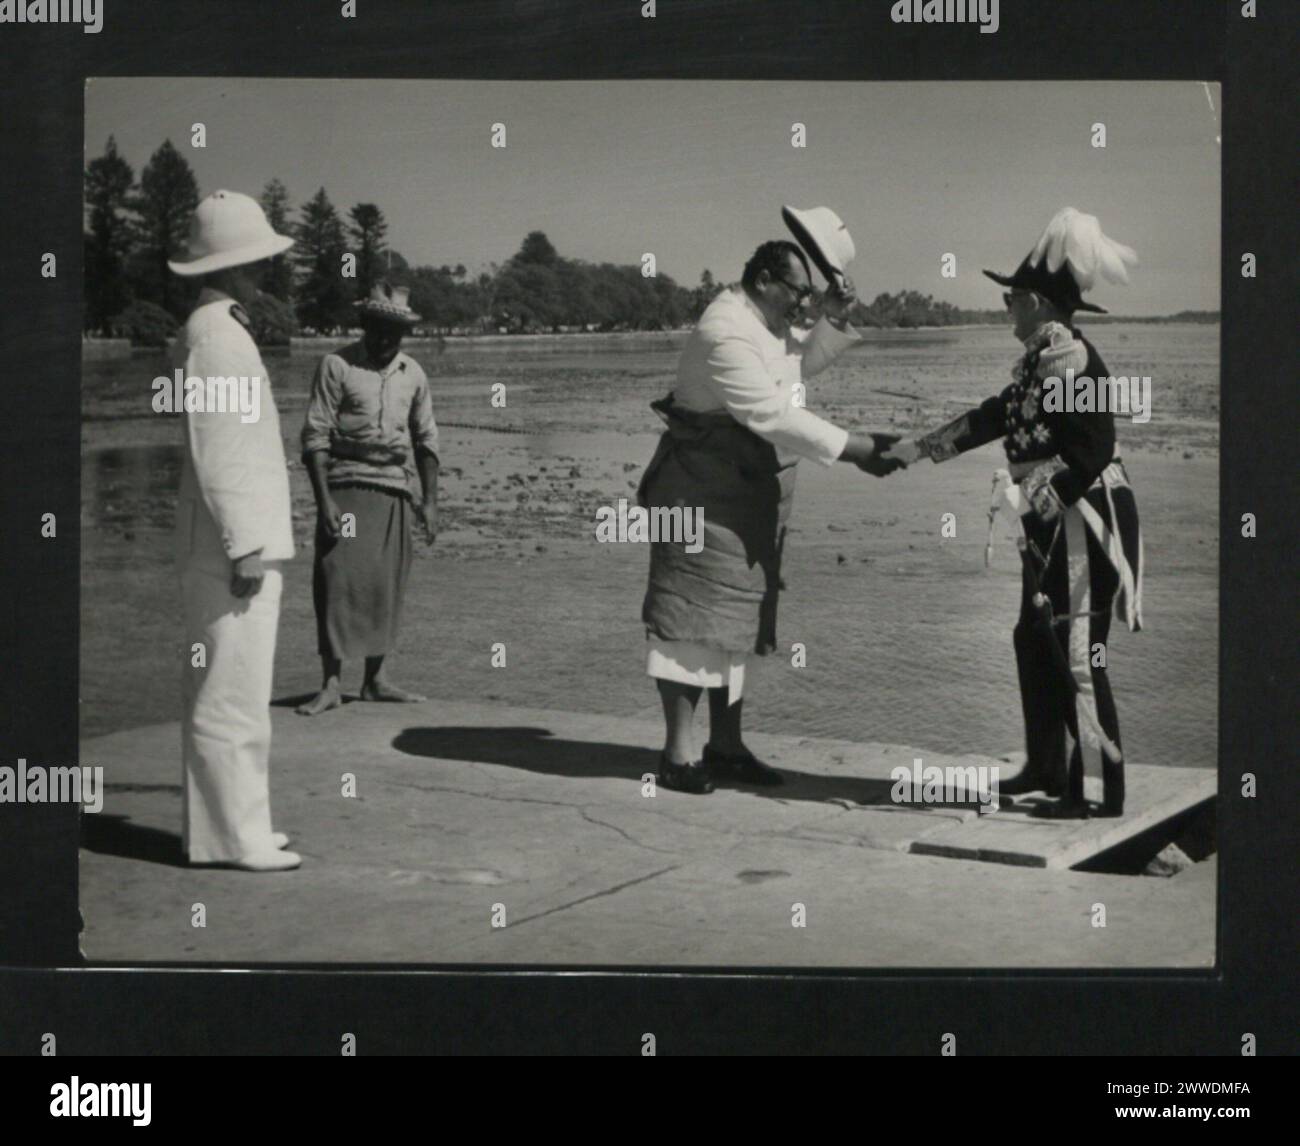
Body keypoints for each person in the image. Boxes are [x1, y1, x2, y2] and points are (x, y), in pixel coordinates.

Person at [885, 208, 1143, 818]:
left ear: (1035, 302)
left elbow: (1092, 449)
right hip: (1052, 523)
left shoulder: (1070, 359)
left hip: (1083, 521)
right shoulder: (1040, 361)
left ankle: (1097, 796)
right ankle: (1049, 768)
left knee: (1076, 652)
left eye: (1010, 298)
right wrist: (916, 450)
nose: (1006, 307)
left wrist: (1040, 503)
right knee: (1035, 638)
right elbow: (993, 417)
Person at [639, 206, 900, 795]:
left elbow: (795, 371)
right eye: (799, 292)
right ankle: (677, 756)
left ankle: (725, 746)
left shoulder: (766, 325)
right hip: (699, 488)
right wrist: (856, 448)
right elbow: (769, 412)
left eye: (811, 294)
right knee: (687, 619)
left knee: (738, 622)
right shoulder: (724, 329)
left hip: (745, 491)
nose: (804, 304)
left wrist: (830, 316)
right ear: (763, 281)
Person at [169, 189, 300, 870]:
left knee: (238, 687)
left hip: (225, 539)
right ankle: (231, 836)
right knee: (230, 690)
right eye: (254, 261)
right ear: (231, 267)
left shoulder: (216, 329)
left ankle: (235, 827)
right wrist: (244, 541)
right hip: (231, 545)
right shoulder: (218, 335)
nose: (262, 272)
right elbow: (218, 444)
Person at [296, 281, 440, 716]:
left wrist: (430, 502)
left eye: (394, 333)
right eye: (377, 329)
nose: (385, 339)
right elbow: (315, 435)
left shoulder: (413, 374)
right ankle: (331, 683)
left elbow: (426, 439)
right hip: (345, 485)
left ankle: (375, 679)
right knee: (335, 579)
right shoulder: (336, 365)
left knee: (385, 586)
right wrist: (324, 501)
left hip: (393, 489)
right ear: (364, 324)